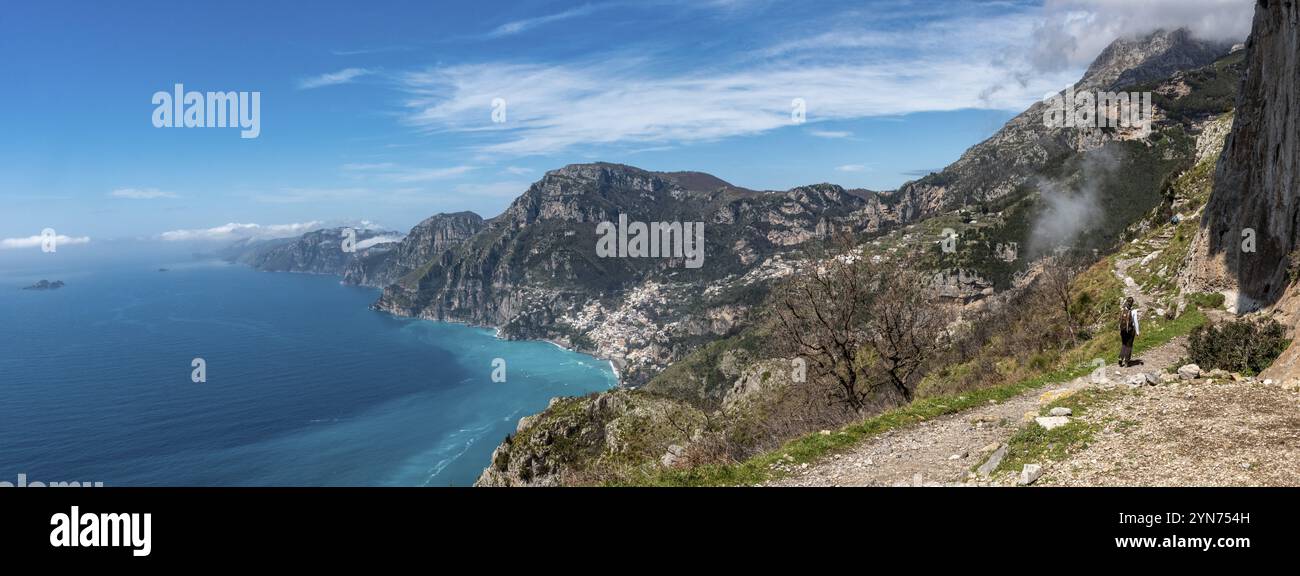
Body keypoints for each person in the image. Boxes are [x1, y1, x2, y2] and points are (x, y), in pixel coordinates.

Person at [1119, 297, 1140, 367]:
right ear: (1132, 303)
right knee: (1129, 345)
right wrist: (1137, 332)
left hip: (1123, 331)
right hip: (1130, 331)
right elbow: (1136, 322)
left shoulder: (1122, 310)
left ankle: (1120, 358)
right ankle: (1126, 362)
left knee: (1124, 344)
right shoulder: (1133, 311)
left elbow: (1120, 321)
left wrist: (1120, 329)